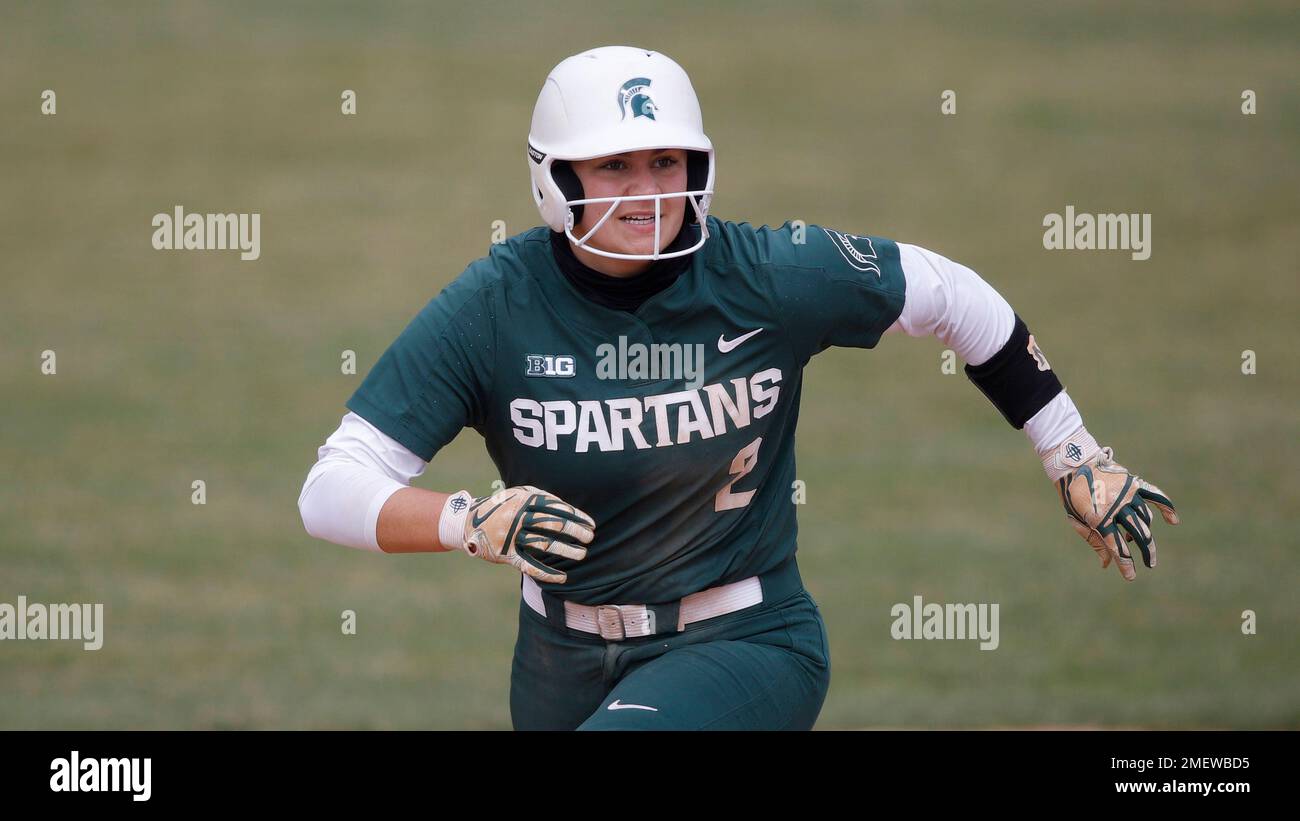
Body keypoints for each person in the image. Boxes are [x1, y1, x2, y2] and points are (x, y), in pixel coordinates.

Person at [298, 46, 1179, 730]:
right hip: (557, 659)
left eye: (667, 162)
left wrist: (1074, 454)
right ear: (554, 178)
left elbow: (956, 298)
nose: (649, 192)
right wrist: (466, 521)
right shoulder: (494, 305)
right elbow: (330, 488)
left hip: (745, 638)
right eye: (614, 168)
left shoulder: (764, 274)